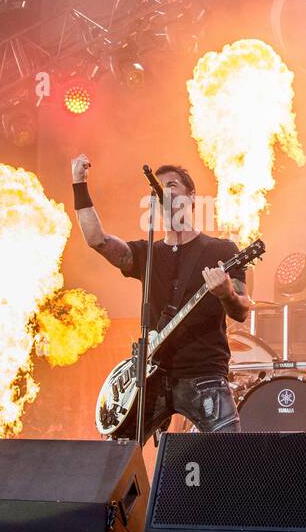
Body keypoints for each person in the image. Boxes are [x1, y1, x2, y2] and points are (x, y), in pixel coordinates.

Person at [72, 155, 251, 440]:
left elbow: (242, 309)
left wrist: (226, 292)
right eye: (158, 187)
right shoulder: (147, 253)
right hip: (151, 376)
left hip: (204, 374)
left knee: (230, 457)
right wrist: (79, 184)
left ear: (191, 197)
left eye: (172, 185)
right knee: (115, 458)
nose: (164, 191)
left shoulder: (222, 250)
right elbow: (97, 240)